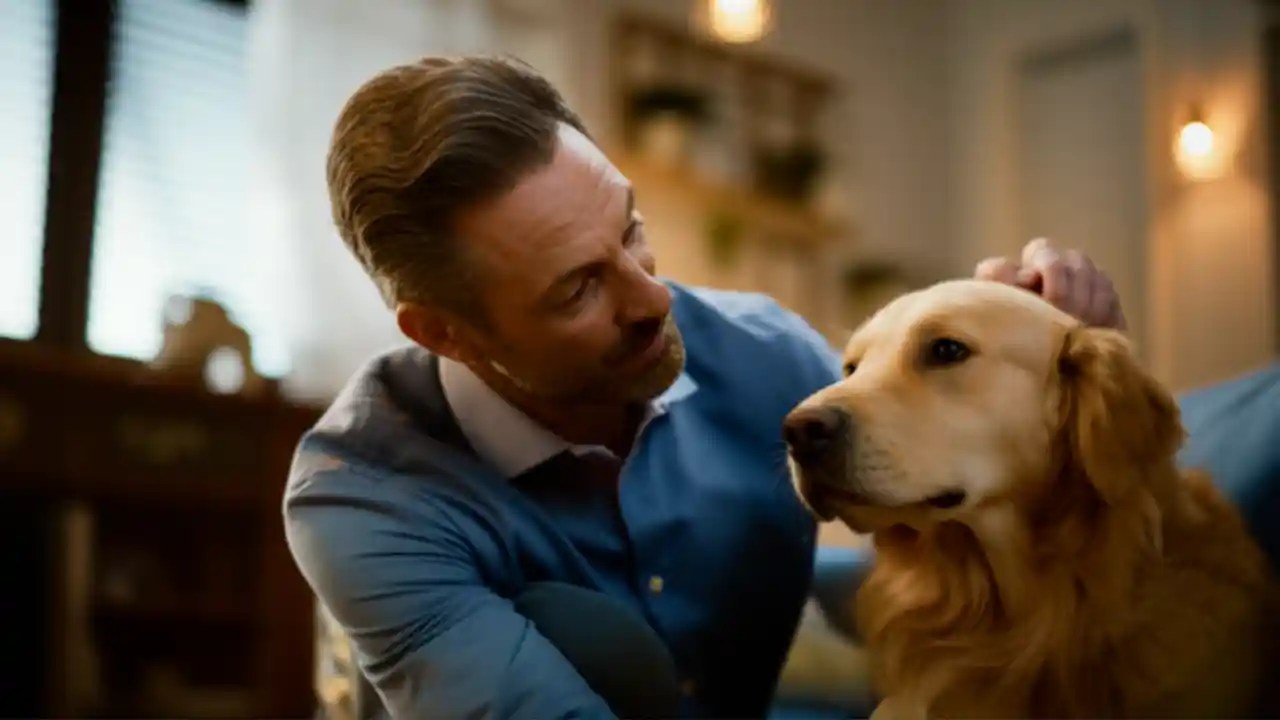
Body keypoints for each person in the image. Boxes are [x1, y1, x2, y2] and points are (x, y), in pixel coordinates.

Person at [283, 55, 1126, 720]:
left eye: (631, 230)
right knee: (588, 637)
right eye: (578, 289)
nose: (654, 298)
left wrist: (1054, 357)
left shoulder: (772, 364)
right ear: (446, 335)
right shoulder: (364, 500)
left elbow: (955, 510)